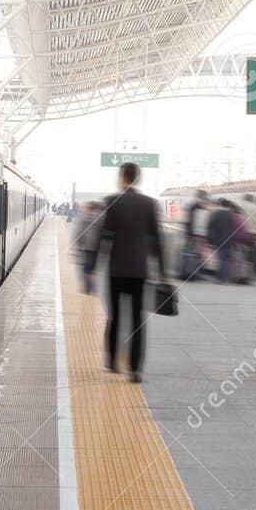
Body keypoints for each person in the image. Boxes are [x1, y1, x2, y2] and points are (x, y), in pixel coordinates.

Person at [98, 163, 168, 382]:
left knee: (115, 316)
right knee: (137, 319)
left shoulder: (112, 202)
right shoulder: (149, 204)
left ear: (122, 178)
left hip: (116, 269)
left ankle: (111, 360)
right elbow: (157, 239)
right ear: (137, 178)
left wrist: (93, 266)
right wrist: (163, 271)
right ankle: (135, 369)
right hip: (139, 270)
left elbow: (104, 236)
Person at [207, 198, 239, 283]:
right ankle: (226, 278)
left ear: (220, 205)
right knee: (226, 259)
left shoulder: (216, 214)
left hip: (219, 239)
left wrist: (210, 241)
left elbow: (212, 228)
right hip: (229, 240)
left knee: (220, 259)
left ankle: (220, 278)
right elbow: (234, 228)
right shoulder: (231, 215)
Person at [76, 200, 104, 293]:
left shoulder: (84, 218)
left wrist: (78, 244)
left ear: (89, 208)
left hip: (87, 247)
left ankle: (88, 287)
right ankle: (92, 287)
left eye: (85, 207)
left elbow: (80, 232)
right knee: (93, 268)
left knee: (86, 268)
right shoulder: (101, 218)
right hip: (97, 247)